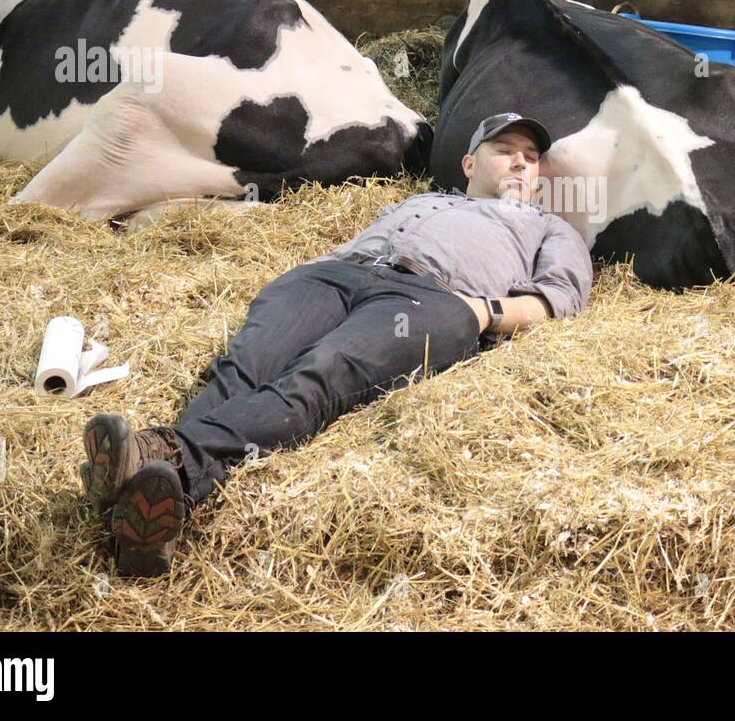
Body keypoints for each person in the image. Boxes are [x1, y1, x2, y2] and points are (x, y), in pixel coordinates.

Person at [79, 113, 593, 576]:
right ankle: (161, 502)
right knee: (241, 367)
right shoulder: (422, 199)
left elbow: (558, 300)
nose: (520, 164)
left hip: (429, 297)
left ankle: (162, 450)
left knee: (319, 375)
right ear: (468, 162)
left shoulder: (548, 227)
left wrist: (481, 312)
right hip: (333, 277)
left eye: (530, 158)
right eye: (505, 150)